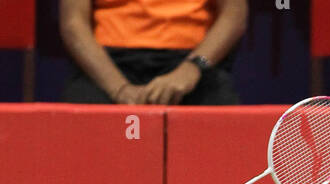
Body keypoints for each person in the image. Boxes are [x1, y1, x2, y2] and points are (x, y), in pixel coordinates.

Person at [58, 0, 247, 106]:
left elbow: (233, 15)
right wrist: (119, 88)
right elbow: (73, 22)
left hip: (190, 63)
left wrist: (192, 68)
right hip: (108, 65)